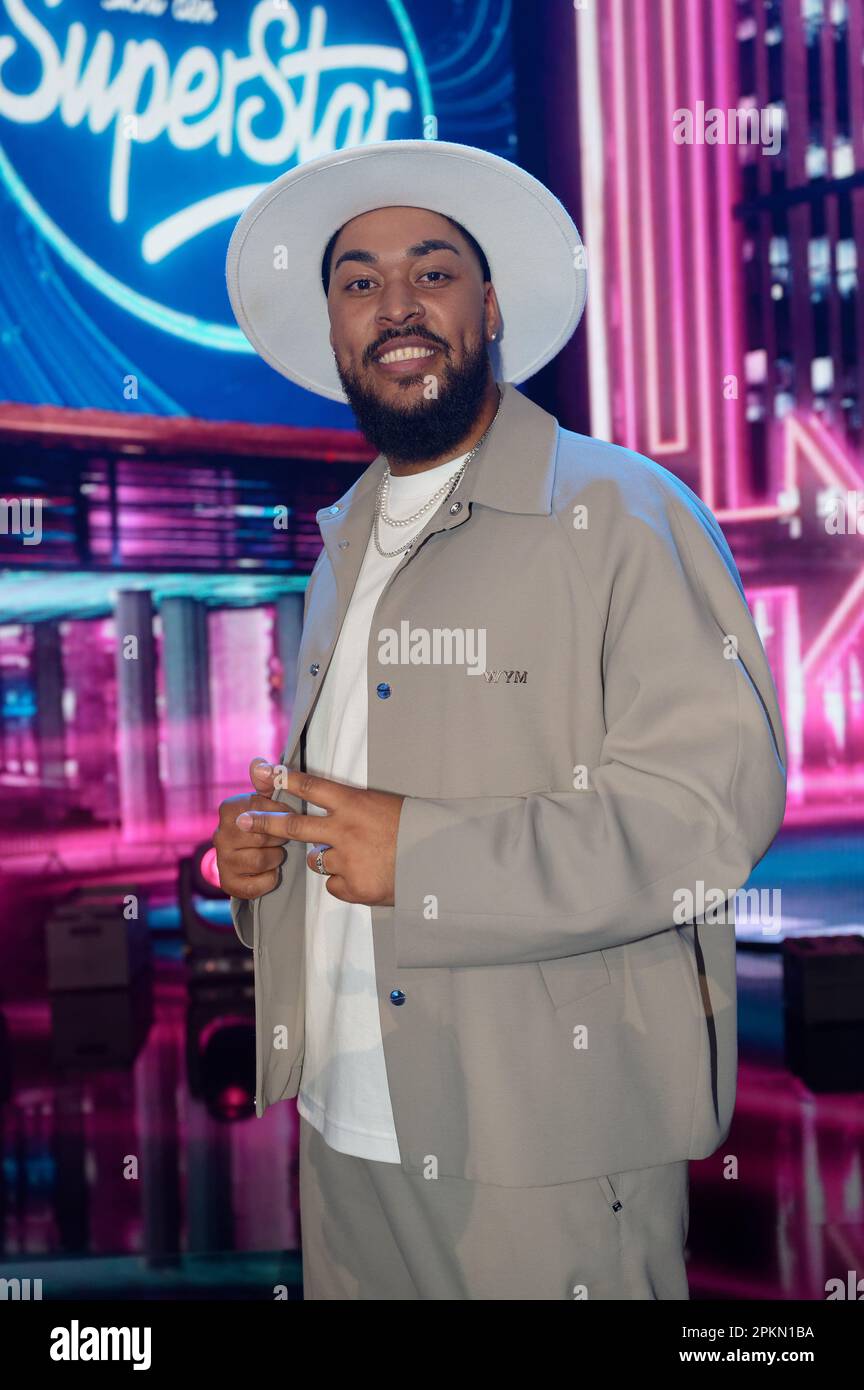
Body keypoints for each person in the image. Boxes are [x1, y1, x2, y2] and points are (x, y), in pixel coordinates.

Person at [213, 140, 787, 1300]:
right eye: (359, 281)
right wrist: (263, 864)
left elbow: (705, 814)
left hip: (544, 1151)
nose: (396, 304)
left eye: (432, 270)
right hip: (342, 1136)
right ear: (334, 332)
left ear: (490, 304)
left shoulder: (623, 510)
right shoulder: (343, 545)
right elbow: (361, 816)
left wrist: (419, 856)